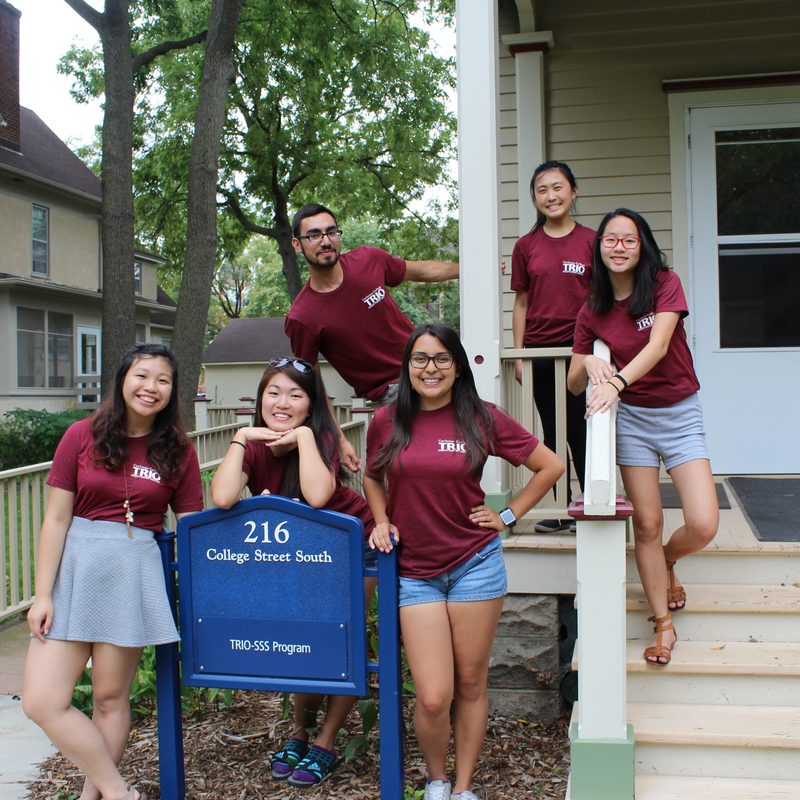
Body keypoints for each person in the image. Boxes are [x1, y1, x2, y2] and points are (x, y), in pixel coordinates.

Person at [364, 324, 564, 800]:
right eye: (420, 359)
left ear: (456, 367)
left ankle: (464, 787)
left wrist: (508, 515)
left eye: (440, 359)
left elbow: (549, 466)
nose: (429, 368)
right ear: (407, 366)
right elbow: (372, 477)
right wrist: (379, 519)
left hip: (475, 563)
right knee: (434, 694)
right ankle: (436, 780)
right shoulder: (388, 421)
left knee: (471, 682)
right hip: (415, 572)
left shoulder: (481, 417)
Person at [23, 344, 203, 800]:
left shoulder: (178, 450)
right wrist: (42, 594)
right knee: (42, 701)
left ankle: (94, 796)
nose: (151, 388)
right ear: (123, 379)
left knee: (108, 698)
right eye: (143, 376)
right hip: (75, 569)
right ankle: (119, 791)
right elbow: (56, 519)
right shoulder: (81, 436)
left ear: (172, 392)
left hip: (133, 571)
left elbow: (192, 524)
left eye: (163, 381)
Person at [210, 356, 377, 787]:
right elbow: (224, 496)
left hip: (350, 545)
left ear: (310, 404)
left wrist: (302, 436)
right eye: (273, 392)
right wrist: (241, 436)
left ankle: (326, 740)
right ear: (261, 397)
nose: (282, 402)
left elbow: (318, 496)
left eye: (295, 395)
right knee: (302, 638)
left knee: (341, 639)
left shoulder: (317, 436)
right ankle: (298, 733)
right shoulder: (252, 441)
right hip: (300, 554)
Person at [567, 208, 718, 666]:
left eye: (628, 240)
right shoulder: (591, 310)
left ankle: (670, 559)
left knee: (704, 522)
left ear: (642, 245)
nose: (618, 247)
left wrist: (614, 382)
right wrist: (591, 363)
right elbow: (573, 383)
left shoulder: (665, 283)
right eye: (610, 239)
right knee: (647, 523)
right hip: (632, 420)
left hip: (679, 412)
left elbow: (657, 346)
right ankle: (663, 626)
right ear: (599, 248)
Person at [285, 203, 459, 470]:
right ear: (298, 244)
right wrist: (339, 439)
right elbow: (312, 383)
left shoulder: (368, 260)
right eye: (315, 235)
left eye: (331, 232)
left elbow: (420, 271)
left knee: (463, 450)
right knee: (420, 465)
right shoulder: (303, 317)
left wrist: (470, 269)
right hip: (394, 391)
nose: (325, 241)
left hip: (430, 365)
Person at [510, 160, 595, 533]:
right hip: (539, 352)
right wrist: (517, 354)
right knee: (552, 431)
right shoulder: (526, 246)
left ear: (573, 192)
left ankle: (590, 505)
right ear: (535, 198)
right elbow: (522, 304)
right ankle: (561, 509)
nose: (551, 196)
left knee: (581, 428)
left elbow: (601, 300)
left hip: (580, 351)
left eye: (558, 187)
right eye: (542, 190)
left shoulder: (592, 240)